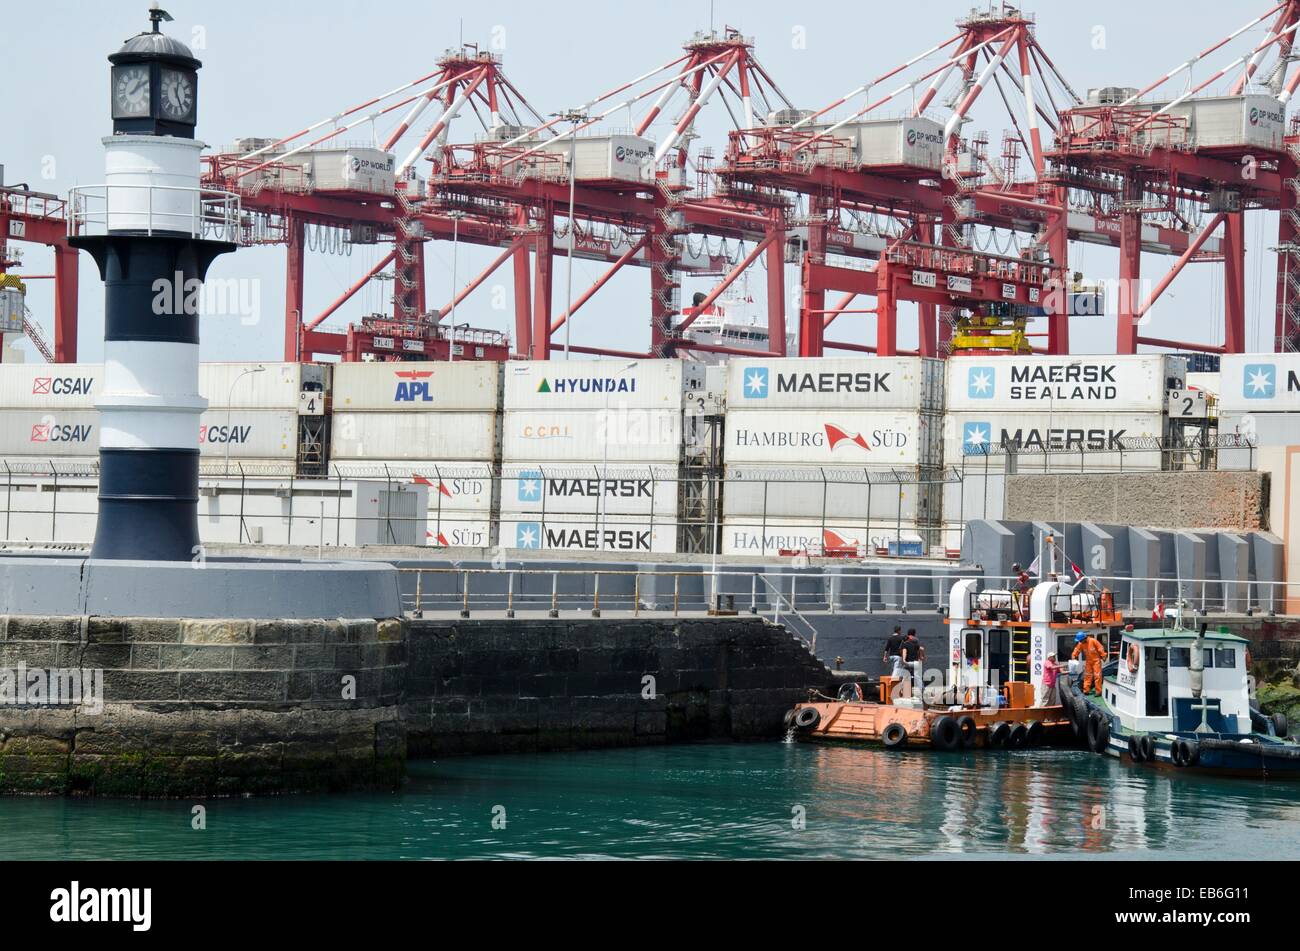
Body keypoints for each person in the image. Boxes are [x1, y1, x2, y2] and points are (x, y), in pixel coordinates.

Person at [1072, 630, 1106, 696]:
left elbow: (1100, 648)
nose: (1079, 642)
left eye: (1080, 640)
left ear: (1084, 638)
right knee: (1087, 675)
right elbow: (1077, 649)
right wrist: (1074, 655)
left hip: (1096, 661)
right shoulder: (1081, 643)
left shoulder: (1093, 641)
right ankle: (1086, 690)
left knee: (1097, 676)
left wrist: (1103, 655)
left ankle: (1098, 691)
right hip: (1088, 661)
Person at [901, 628, 925, 697]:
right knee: (918, 677)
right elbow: (922, 649)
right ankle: (922, 690)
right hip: (916, 663)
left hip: (908, 663)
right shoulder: (916, 644)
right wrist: (922, 656)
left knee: (905, 677)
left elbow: (904, 653)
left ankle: (902, 689)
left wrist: (904, 660)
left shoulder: (905, 644)